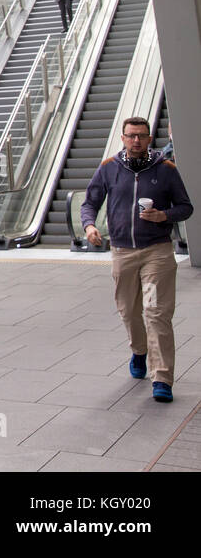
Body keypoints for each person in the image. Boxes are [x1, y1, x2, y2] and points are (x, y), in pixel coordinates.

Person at [81, 117, 194, 403]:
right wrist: (89, 226)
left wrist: (163, 216)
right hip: (122, 252)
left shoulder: (166, 170)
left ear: (148, 138)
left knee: (156, 312)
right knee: (129, 311)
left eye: (141, 136)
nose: (136, 141)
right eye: (131, 136)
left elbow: (185, 207)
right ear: (123, 137)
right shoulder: (109, 168)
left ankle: (162, 377)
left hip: (156, 251)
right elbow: (90, 202)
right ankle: (139, 351)